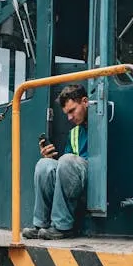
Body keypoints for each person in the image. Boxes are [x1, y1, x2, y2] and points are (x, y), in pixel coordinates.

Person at [22, 84, 89, 240]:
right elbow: (68, 168)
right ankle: (41, 225)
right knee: (44, 165)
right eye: (67, 113)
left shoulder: (102, 124)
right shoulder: (74, 133)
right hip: (77, 184)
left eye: (72, 111)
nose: (70, 118)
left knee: (66, 160)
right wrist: (52, 161)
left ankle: (62, 227)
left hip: (97, 185)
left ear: (85, 101)